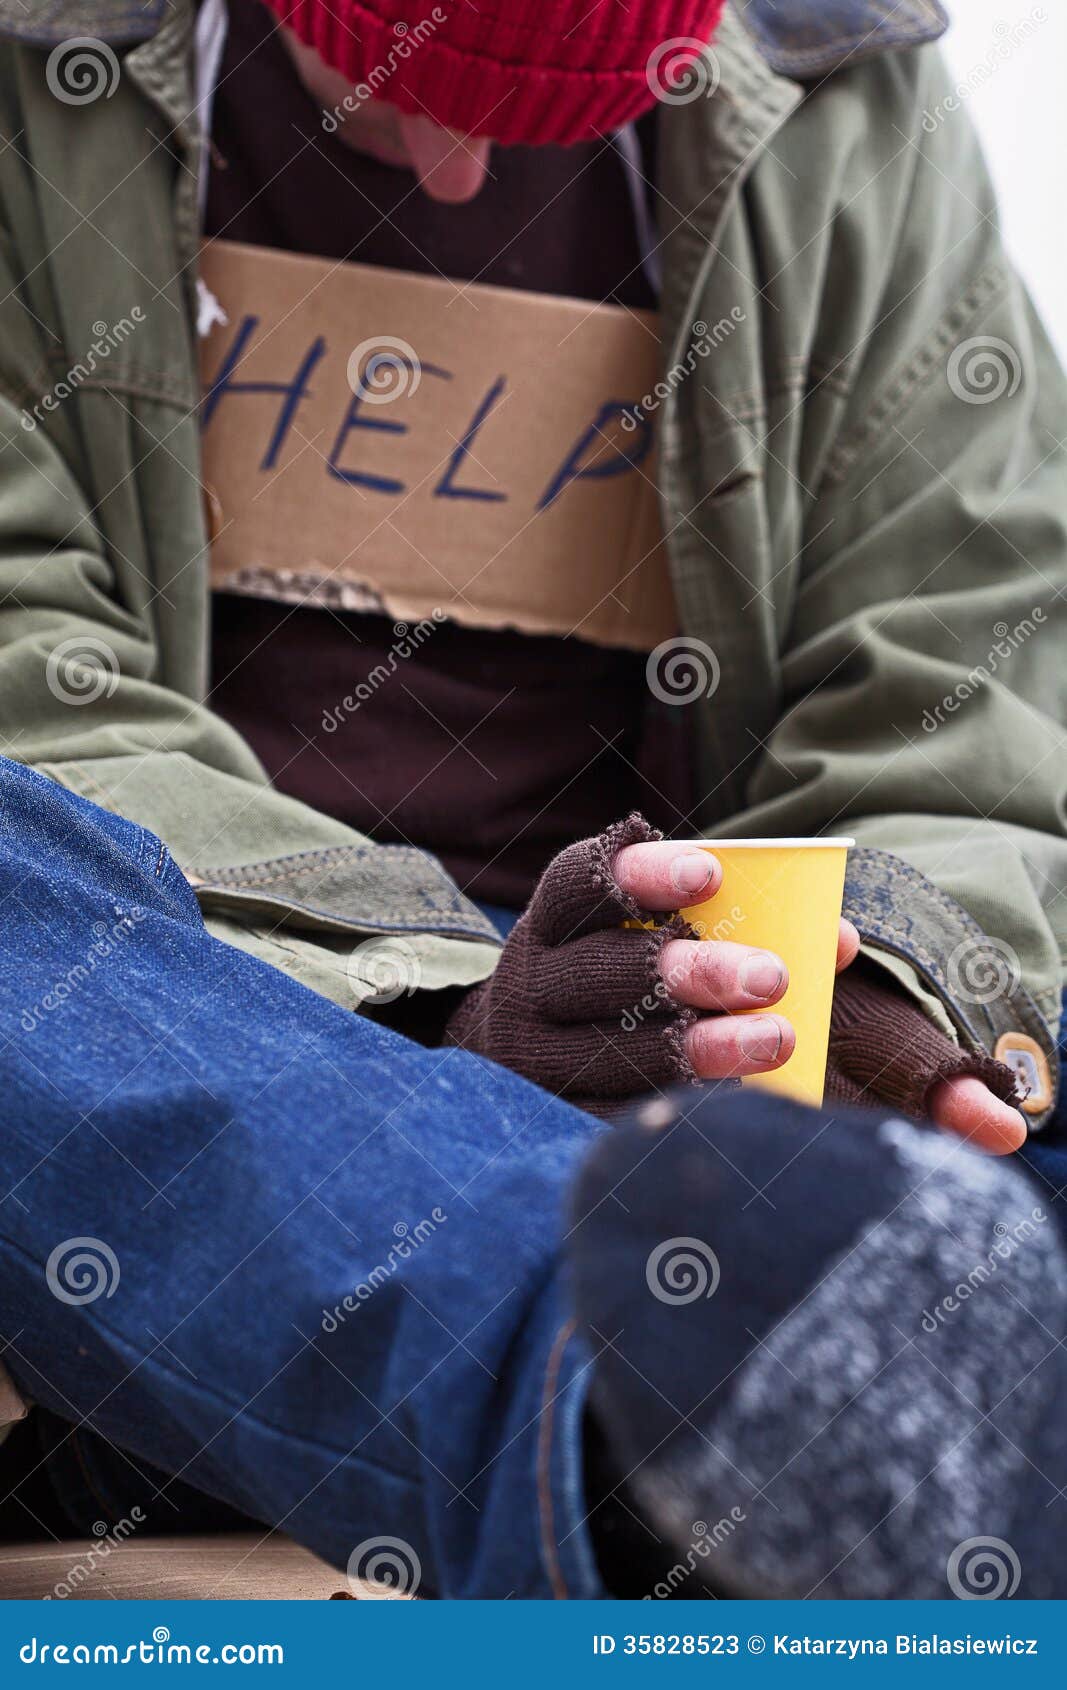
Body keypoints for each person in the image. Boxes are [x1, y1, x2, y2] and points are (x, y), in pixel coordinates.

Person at [0, 0, 1065, 1597]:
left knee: (1004, 1022)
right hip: (194, 1095)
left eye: (563, 106)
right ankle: (627, 1417)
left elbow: (965, 665)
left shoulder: (842, 89)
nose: (454, 165)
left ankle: (807, 1347)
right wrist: (444, 1019)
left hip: (694, 1090)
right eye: (390, 84)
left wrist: (885, 974)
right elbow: (25, 678)